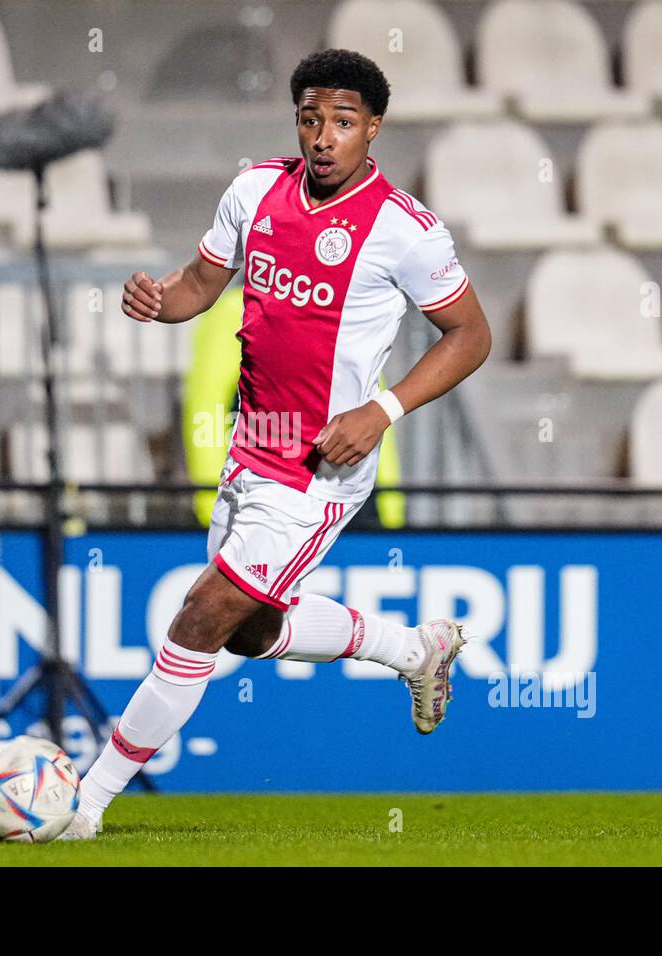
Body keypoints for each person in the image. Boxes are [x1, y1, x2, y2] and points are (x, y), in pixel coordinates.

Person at [62, 48, 492, 840]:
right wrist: (160, 301)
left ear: (374, 129)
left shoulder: (405, 231)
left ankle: (85, 804)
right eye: (310, 119)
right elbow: (200, 283)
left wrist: (383, 411)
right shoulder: (255, 189)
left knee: (201, 615)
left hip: (319, 470)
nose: (323, 137)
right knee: (252, 631)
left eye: (343, 122)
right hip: (249, 449)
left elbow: (470, 335)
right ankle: (414, 649)